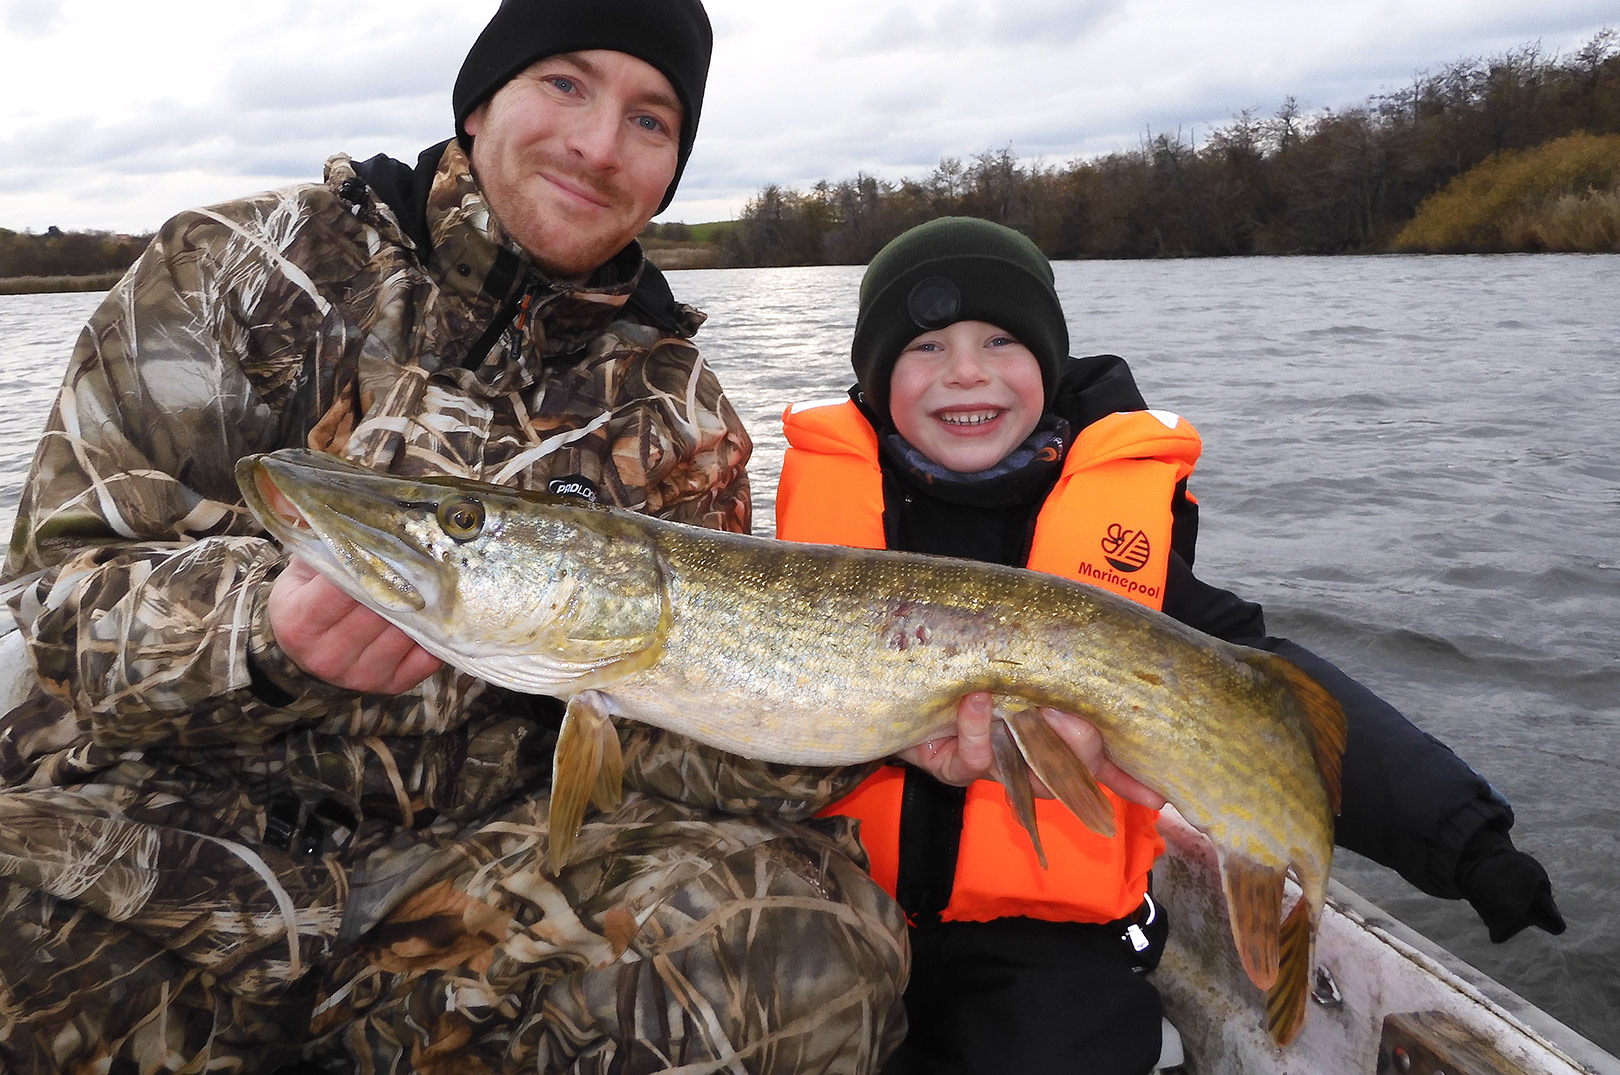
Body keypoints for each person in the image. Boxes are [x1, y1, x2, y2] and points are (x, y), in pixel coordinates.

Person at [0, 4, 1007, 1072]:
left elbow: (664, 748)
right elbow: (59, 591)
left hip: (455, 891)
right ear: (480, 103)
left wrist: (875, 721)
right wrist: (258, 629)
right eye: (565, 83)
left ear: (672, 169)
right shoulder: (237, 269)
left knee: (801, 946)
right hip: (136, 853)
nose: (599, 144)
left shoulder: (679, 412)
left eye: (651, 120)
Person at [775, 216, 1567, 1075]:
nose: (966, 371)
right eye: (926, 346)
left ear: (1049, 360)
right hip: (838, 901)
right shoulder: (813, 544)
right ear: (876, 376)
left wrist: (1465, 840)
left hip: (1051, 942)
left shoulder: (1128, 551)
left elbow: (1271, 691)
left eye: (1001, 339)